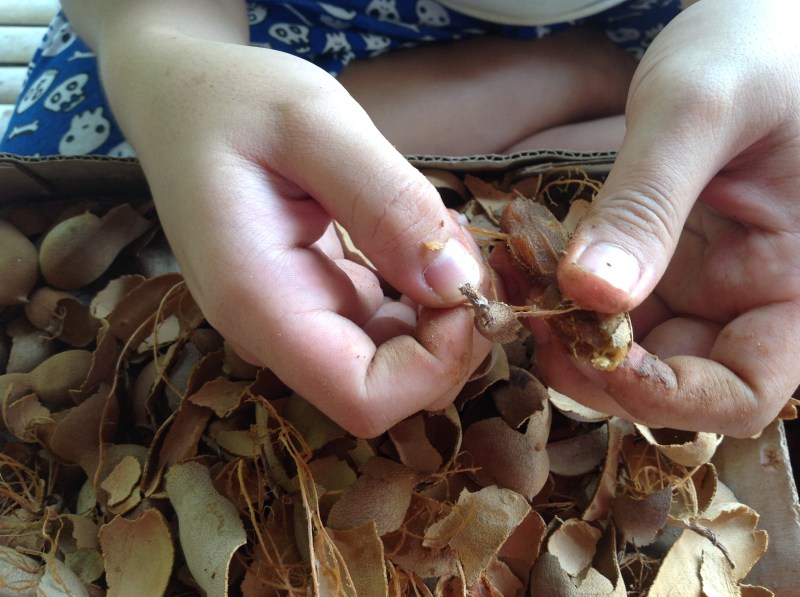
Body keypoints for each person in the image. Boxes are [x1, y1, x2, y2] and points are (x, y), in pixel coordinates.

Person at [2, 0, 798, 440]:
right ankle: (570, 77)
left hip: (697, 32)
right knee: (186, 157)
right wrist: (158, 55)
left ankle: (582, 74)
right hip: (274, 30)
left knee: (713, 180)